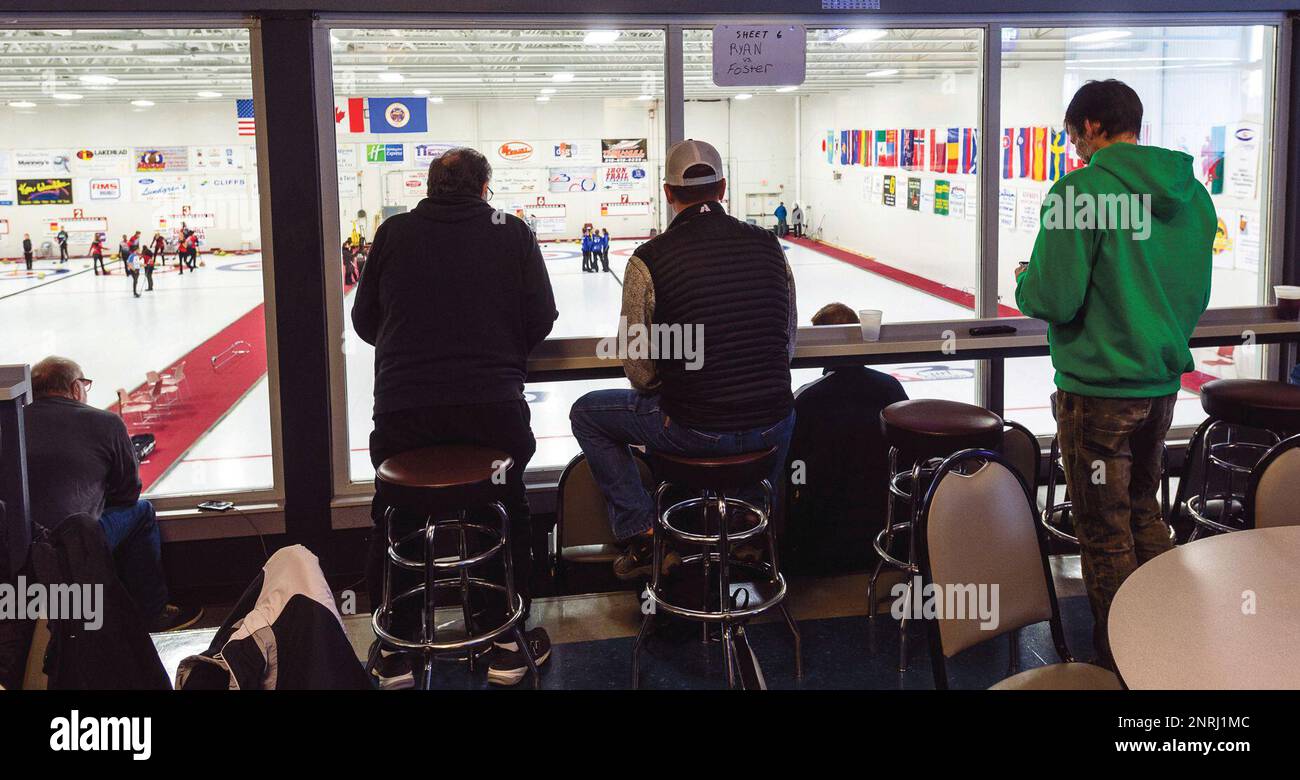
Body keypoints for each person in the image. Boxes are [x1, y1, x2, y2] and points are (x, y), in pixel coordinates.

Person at [1015, 79, 1215, 667]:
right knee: (1144, 512)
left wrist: (1027, 277)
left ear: (1094, 128)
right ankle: (1170, 641)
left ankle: (1125, 660)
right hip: (1159, 387)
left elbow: (1055, 296)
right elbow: (1186, 289)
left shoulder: (1082, 189)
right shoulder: (1192, 196)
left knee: (1103, 533)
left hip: (1098, 394)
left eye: (1074, 133)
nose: (1072, 144)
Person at [352, 146, 558, 687]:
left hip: (404, 414)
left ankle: (395, 644)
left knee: (395, 510)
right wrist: (496, 355)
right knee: (504, 503)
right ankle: (503, 638)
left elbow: (365, 320)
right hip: (492, 412)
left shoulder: (394, 233)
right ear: (485, 189)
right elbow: (541, 317)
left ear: (428, 186)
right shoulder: (511, 232)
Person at [569, 138, 798, 579]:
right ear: (724, 187)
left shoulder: (648, 259)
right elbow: (786, 344)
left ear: (668, 193)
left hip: (696, 431)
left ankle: (642, 534)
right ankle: (749, 529)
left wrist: (676, 387)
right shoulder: (771, 247)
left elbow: (638, 369)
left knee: (587, 415)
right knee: (765, 413)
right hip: (773, 426)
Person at [23, 357, 201, 631]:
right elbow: (128, 493)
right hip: (71, 544)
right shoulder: (105, 422)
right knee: (142, 511)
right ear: (75, 387)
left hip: (18, 545)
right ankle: (152, 610)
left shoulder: (10, 423)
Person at [782, 304, 908, 576]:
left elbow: (792, 469)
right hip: (883, 531)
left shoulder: (806, 398)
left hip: (823, 542)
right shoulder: (891, 388)